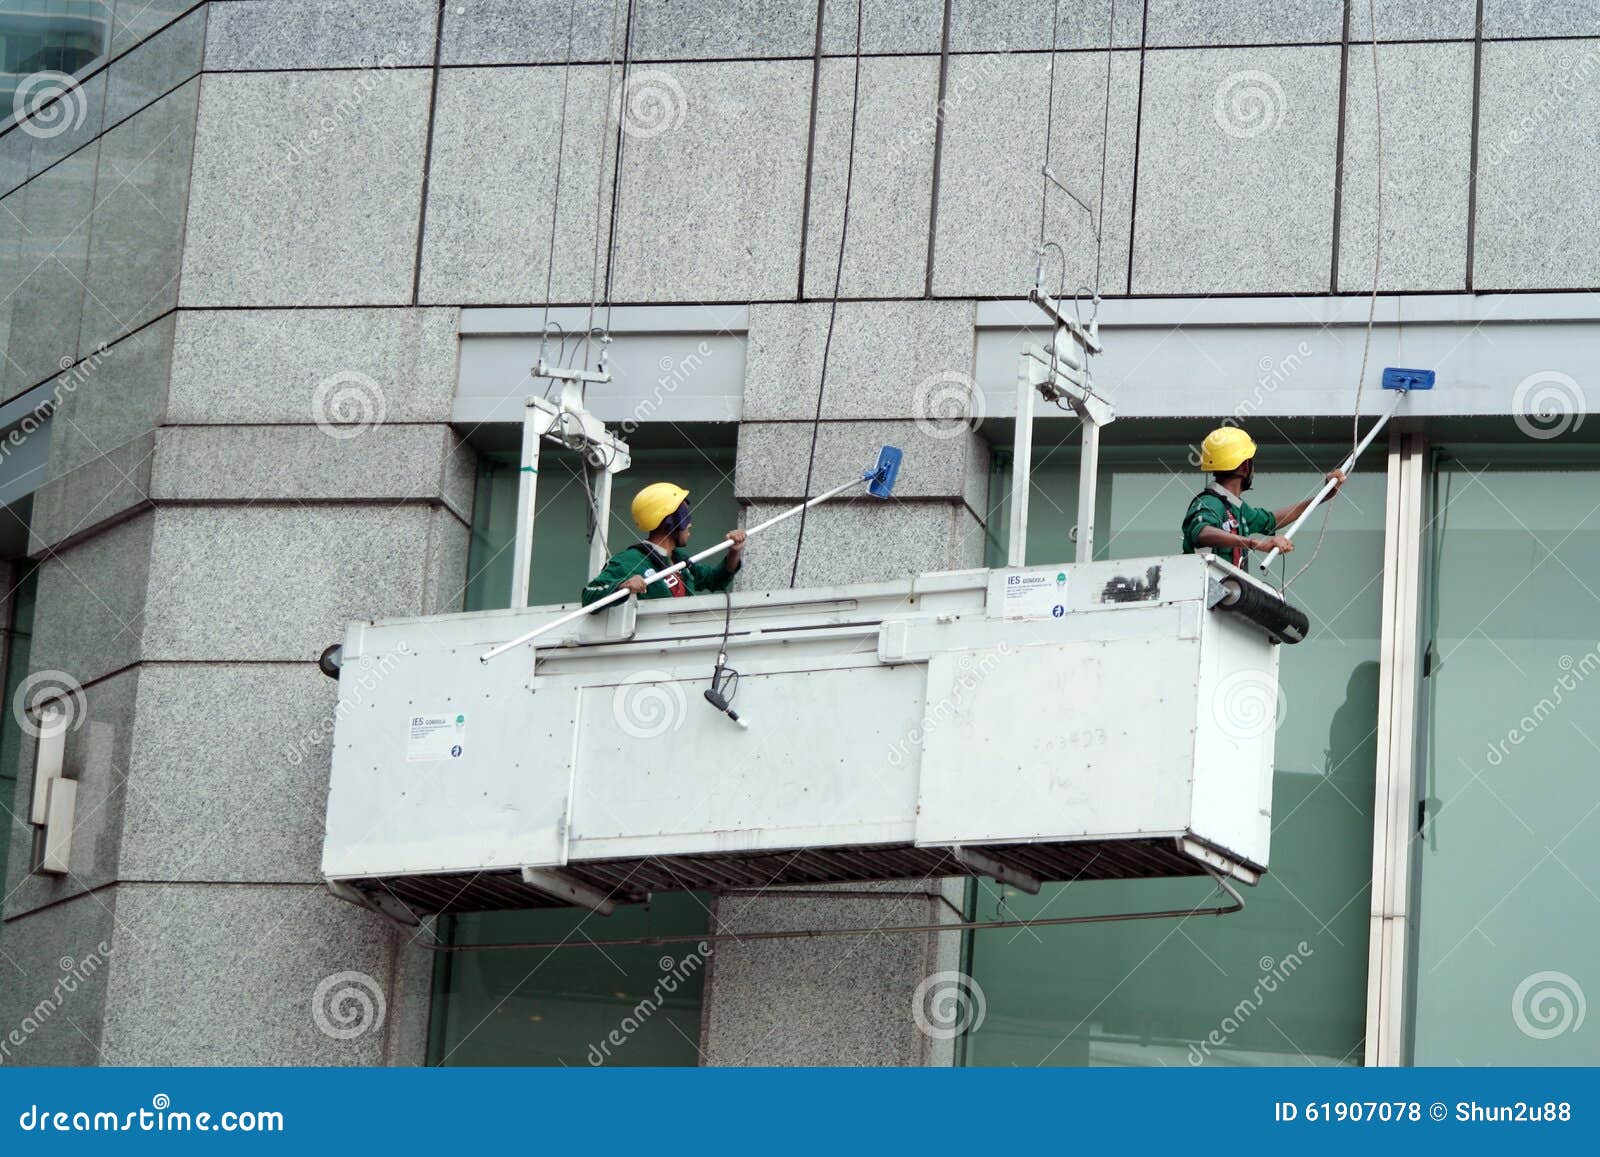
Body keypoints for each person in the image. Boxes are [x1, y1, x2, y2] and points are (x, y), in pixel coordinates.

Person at [1181, 427, 1345, 569]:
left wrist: (1322, 497)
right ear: (1245, 467)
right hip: (1210, 599)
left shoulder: (1237, 508)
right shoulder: (1210, 502)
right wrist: (1255, 543)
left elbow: (1274, 520)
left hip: (1227, 598)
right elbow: (1201, 532)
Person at [582, 482, 746, 605]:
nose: (690, 524)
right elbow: (590, 596)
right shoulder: (629, 560)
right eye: (685, 518)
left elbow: (714, 580)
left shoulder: (680, 560)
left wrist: (733, 552)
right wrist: (623, 587)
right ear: (670, 522)